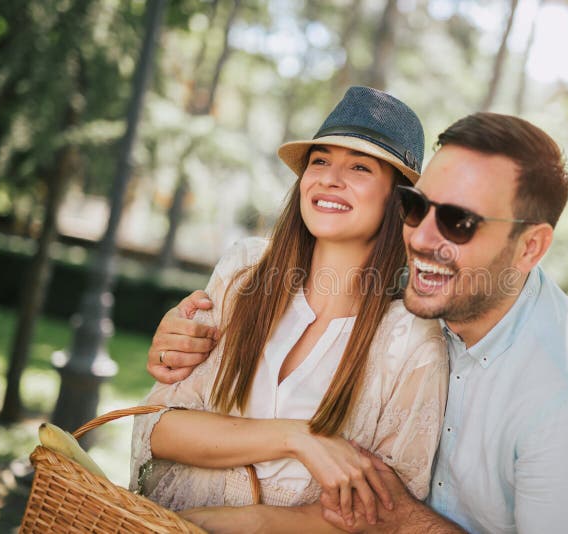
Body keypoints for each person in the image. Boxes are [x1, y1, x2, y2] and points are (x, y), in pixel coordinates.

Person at [151, 112, 568, 533]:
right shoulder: (440, 296)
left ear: (530, 247)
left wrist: (400, 520)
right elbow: (161, 417)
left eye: (458, 221)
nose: (423, 237)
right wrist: (178, 338)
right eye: (417, 207)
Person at [130, 86, 449, 531]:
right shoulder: (243, 272)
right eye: (320, 161)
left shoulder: (411, 343)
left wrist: (242, 523)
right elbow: (159, 429)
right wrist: (295, 438)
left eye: (359, 167)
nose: (330, 179)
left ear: (399, 201)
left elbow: (377, 514)